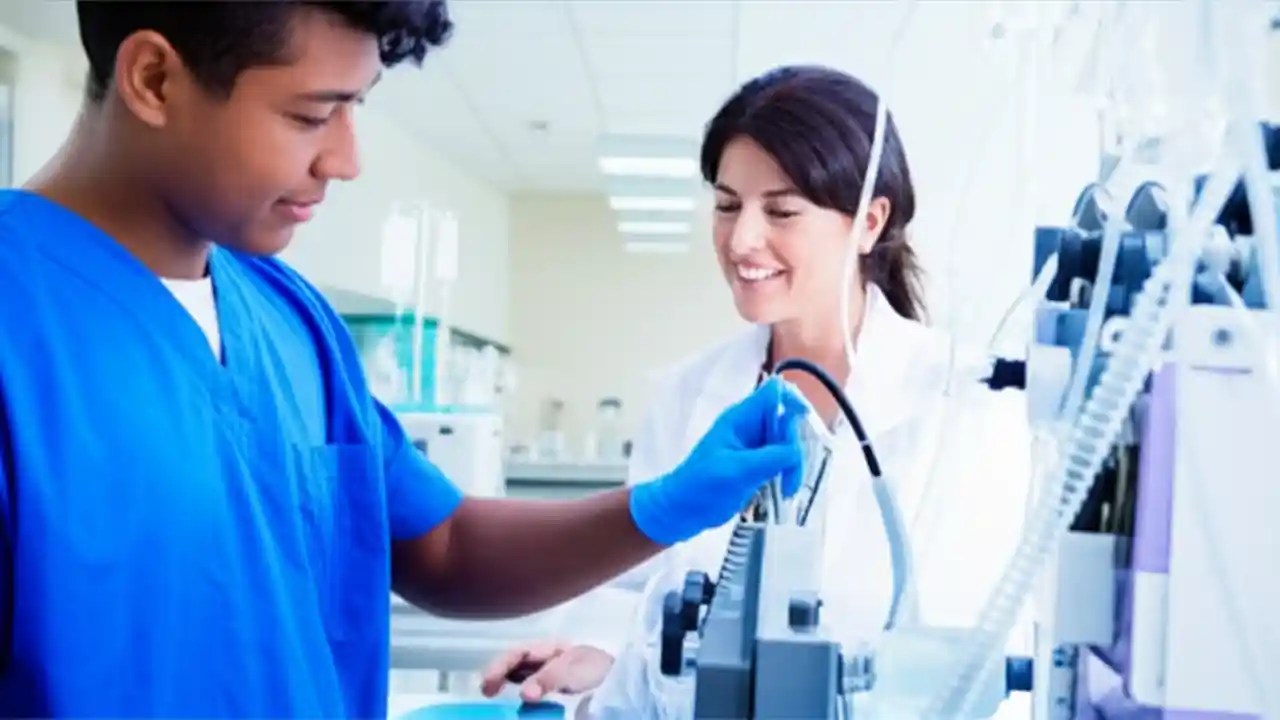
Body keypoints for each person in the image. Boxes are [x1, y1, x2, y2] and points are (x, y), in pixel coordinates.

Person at [0, 3, 813, 717]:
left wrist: (663, 508)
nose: (346, 159)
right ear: (154, 79)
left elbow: (444, 544)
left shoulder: (290, 320)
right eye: (312, 115)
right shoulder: (20, 323)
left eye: (357, 107)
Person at [480, 65, 1032, 718]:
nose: (742, 239)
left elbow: (984, 635)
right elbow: (641, 586)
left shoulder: (969, 403)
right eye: (726, 205)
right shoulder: (687, 395)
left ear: (869, 222)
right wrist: (596, 650)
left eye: (781, 210)